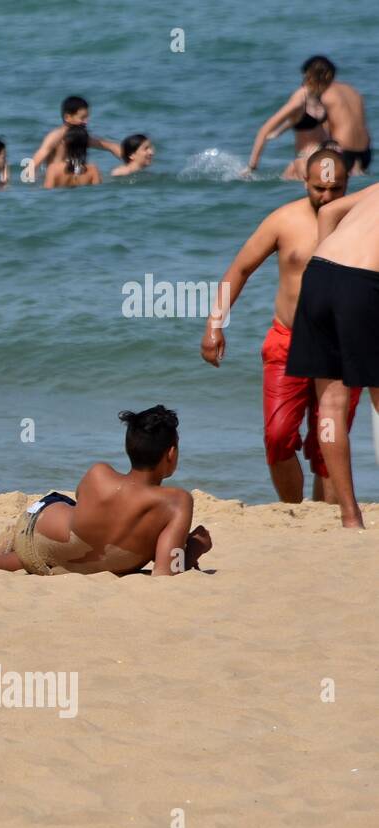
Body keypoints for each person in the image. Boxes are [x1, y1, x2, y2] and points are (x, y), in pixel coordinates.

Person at [201, 148, 360, 503]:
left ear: (349, 183)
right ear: (304, 180)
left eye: (336, 189)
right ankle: (292, 511)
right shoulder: (284, 220)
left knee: (330, 439)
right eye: (319, 188)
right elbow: (239, 269)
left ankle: (322, 520)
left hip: (340, 346)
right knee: (277, 435)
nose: (327, 196)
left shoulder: (361, 223)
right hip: (287, 340)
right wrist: (215, 324)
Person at [0, 407, 212, 576]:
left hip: (41, 544)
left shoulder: (99, 474)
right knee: (84, 536)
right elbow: (167, 570)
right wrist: (197, 545)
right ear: (171, 454)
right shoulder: (177, 503)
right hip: (54, 539)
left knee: (73, 535)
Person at [285, 179, 379, 527]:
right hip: (364, 283)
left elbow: (328, 210)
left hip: (320, 272)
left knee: (331, 405)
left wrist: (332, 273)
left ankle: (350, 515)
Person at [248, 57, 370, 177]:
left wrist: (279, 132)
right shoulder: (300, 99)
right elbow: (264, 130)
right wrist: (252, 167)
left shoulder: (323, 97)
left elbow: (299, 119)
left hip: (318, 158)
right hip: (310, 159)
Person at [30, 96, 122, 179]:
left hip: (76, 182)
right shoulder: (55, 136)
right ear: (67, 117)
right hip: (56, 186)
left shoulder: (82, 136)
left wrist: (131, 164)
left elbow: (111, 146)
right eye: (82, 118)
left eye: (87, 117)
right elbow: (34, 163)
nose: (86, 122)